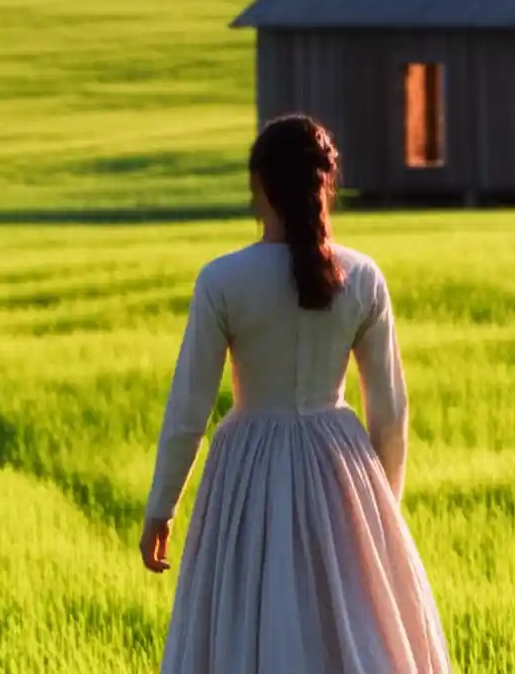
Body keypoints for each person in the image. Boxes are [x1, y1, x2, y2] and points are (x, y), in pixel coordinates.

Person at [139, 114, 453, 673]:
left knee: (248, 624)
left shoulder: (224, 280)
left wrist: (161, 508)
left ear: (258, 186)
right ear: (325, 184)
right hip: (341, 466)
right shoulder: (363, 276)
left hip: (247, 467)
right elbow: (389, 413)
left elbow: (188, 410)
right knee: (349, 631)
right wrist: (383, 515)